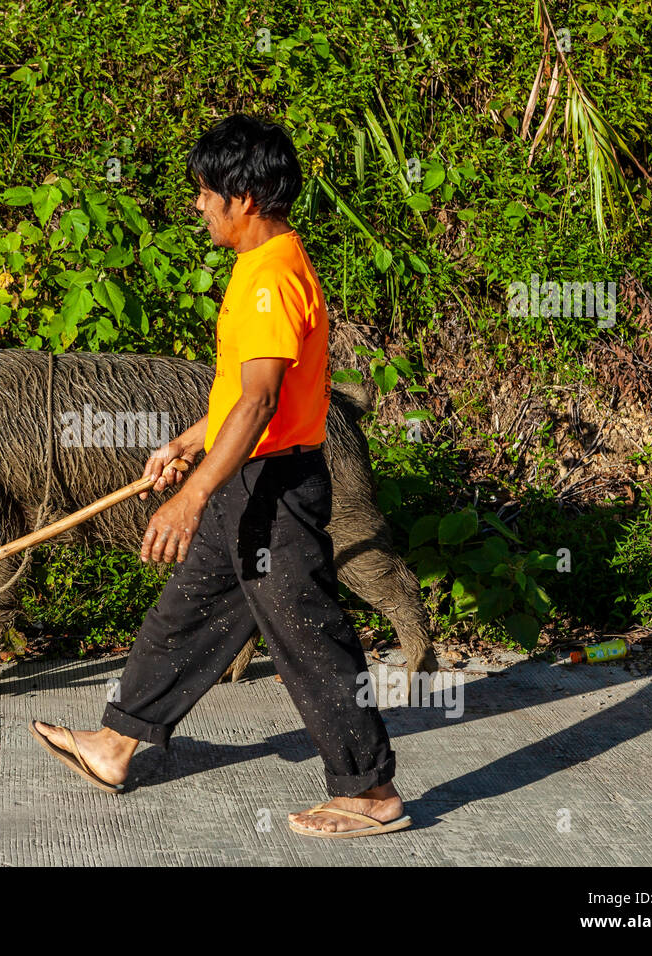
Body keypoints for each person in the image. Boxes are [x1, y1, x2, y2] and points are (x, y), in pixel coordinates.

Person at [30, 114, 410, 839]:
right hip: (247, 479)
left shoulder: (270, 280)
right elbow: (244, 396)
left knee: (307, 633)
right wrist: (186, 443)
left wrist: (192, 495)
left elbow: (264, 402)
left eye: (205, 192)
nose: (198, 205)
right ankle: (116, 744)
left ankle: (370, 791)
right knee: (192, 611)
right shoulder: (262, 267)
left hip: (273, 489)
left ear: (243, 195)